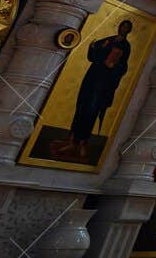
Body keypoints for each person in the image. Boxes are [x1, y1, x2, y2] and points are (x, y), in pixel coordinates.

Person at [52, 19, 133, 163]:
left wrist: (113, 65)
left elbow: (124, 67)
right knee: (81, 106)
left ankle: (83, 142)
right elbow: (92, 56)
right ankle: (71, 140)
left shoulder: (126, 46)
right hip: (92, 76)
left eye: (126, 27)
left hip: (104, 82)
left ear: (128, 31)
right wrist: (94, 47)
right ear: (119, 27)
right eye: (122, 26)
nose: (123, 29)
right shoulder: (108, 40)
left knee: (92, 110)